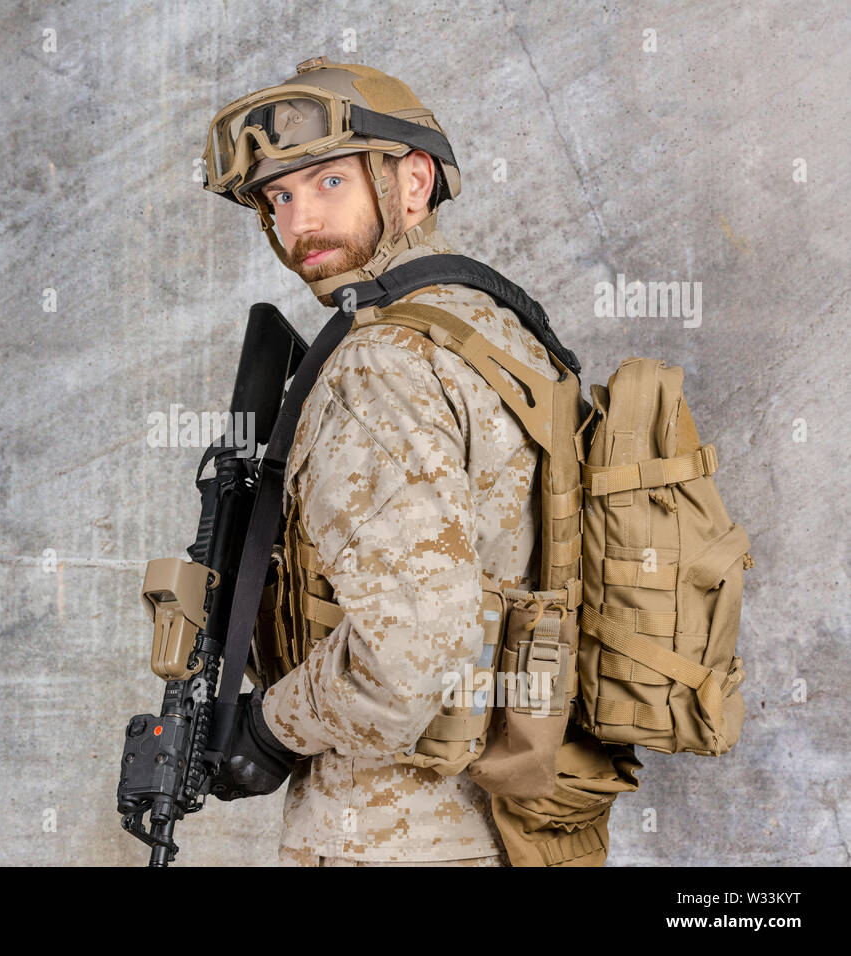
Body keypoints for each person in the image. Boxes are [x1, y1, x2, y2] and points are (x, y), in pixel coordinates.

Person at [203, 58, 572, 866]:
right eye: (279, 198)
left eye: (328, 181)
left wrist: (267, 729)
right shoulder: (499, 328)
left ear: (412, 181)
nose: (299, 220)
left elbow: (406, 651)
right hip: (516, 820)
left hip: (394, 832)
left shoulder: (381, 363)